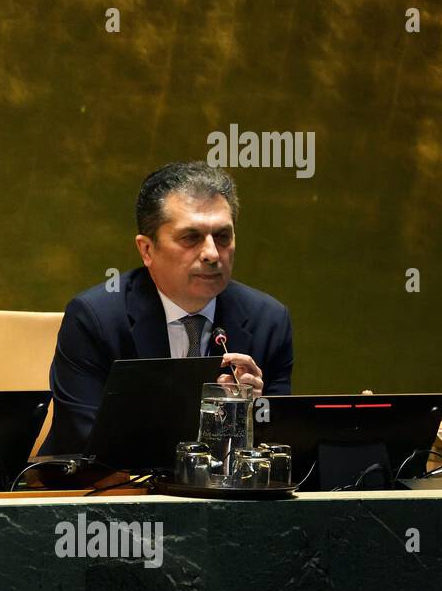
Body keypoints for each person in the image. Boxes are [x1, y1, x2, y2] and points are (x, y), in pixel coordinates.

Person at [42, 161, 294, 455]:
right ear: (147, 250)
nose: (212, 254)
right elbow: (86, 443)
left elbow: (278, 446)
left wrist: (254, 416)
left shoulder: (268, 320)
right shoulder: (96, 318)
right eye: (191, 238)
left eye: (223, 236)